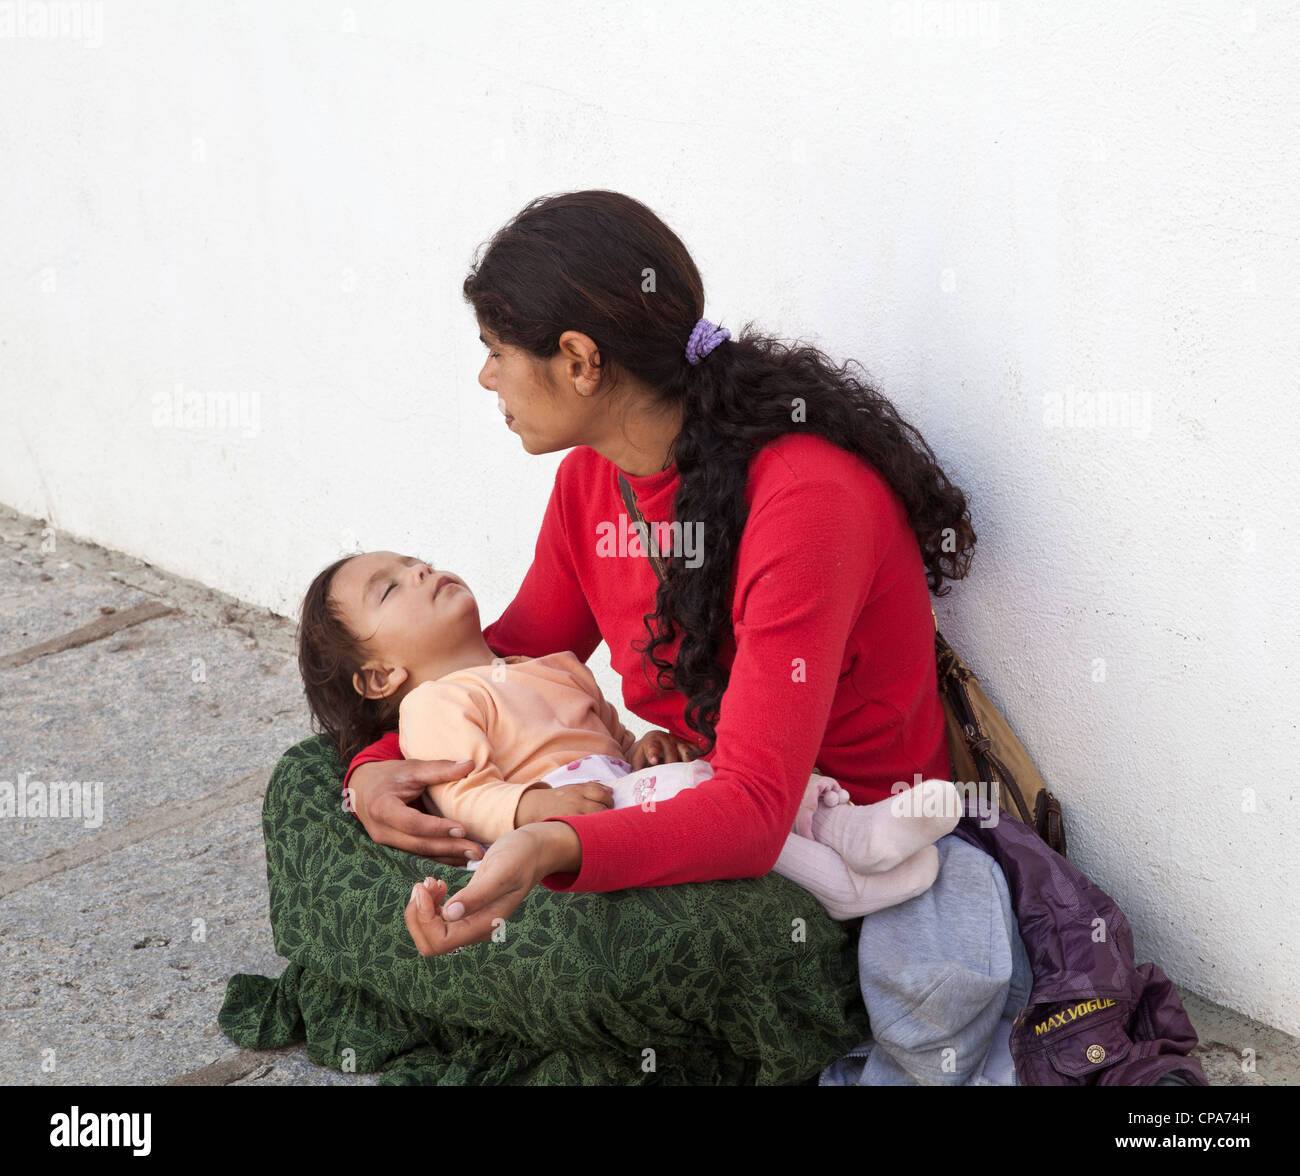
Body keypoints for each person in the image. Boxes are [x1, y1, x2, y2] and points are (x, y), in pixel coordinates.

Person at [342, 190, 1021, 1083]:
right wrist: (377, 765)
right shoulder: (596, 480)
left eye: (495, 353)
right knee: (309, 788)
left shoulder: (804, 501)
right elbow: (503, 660)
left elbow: (748, 812)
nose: (487, 379)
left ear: (580, 361)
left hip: (837, 842)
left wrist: (552, 845)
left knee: (599, 939)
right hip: (672, 791)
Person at [297, 549, 961, 921]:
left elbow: (610, 738)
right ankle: (839, 884)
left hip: (617, 790)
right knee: (702, 791)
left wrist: (644, 746)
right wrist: (530, 810)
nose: (419, 571)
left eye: (413, 560)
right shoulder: (435, 704)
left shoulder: (552, 666)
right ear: (380, 676)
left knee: (724, 773)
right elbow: (462, 794)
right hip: (560, 814)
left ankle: (852, 831)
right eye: (390, 590)